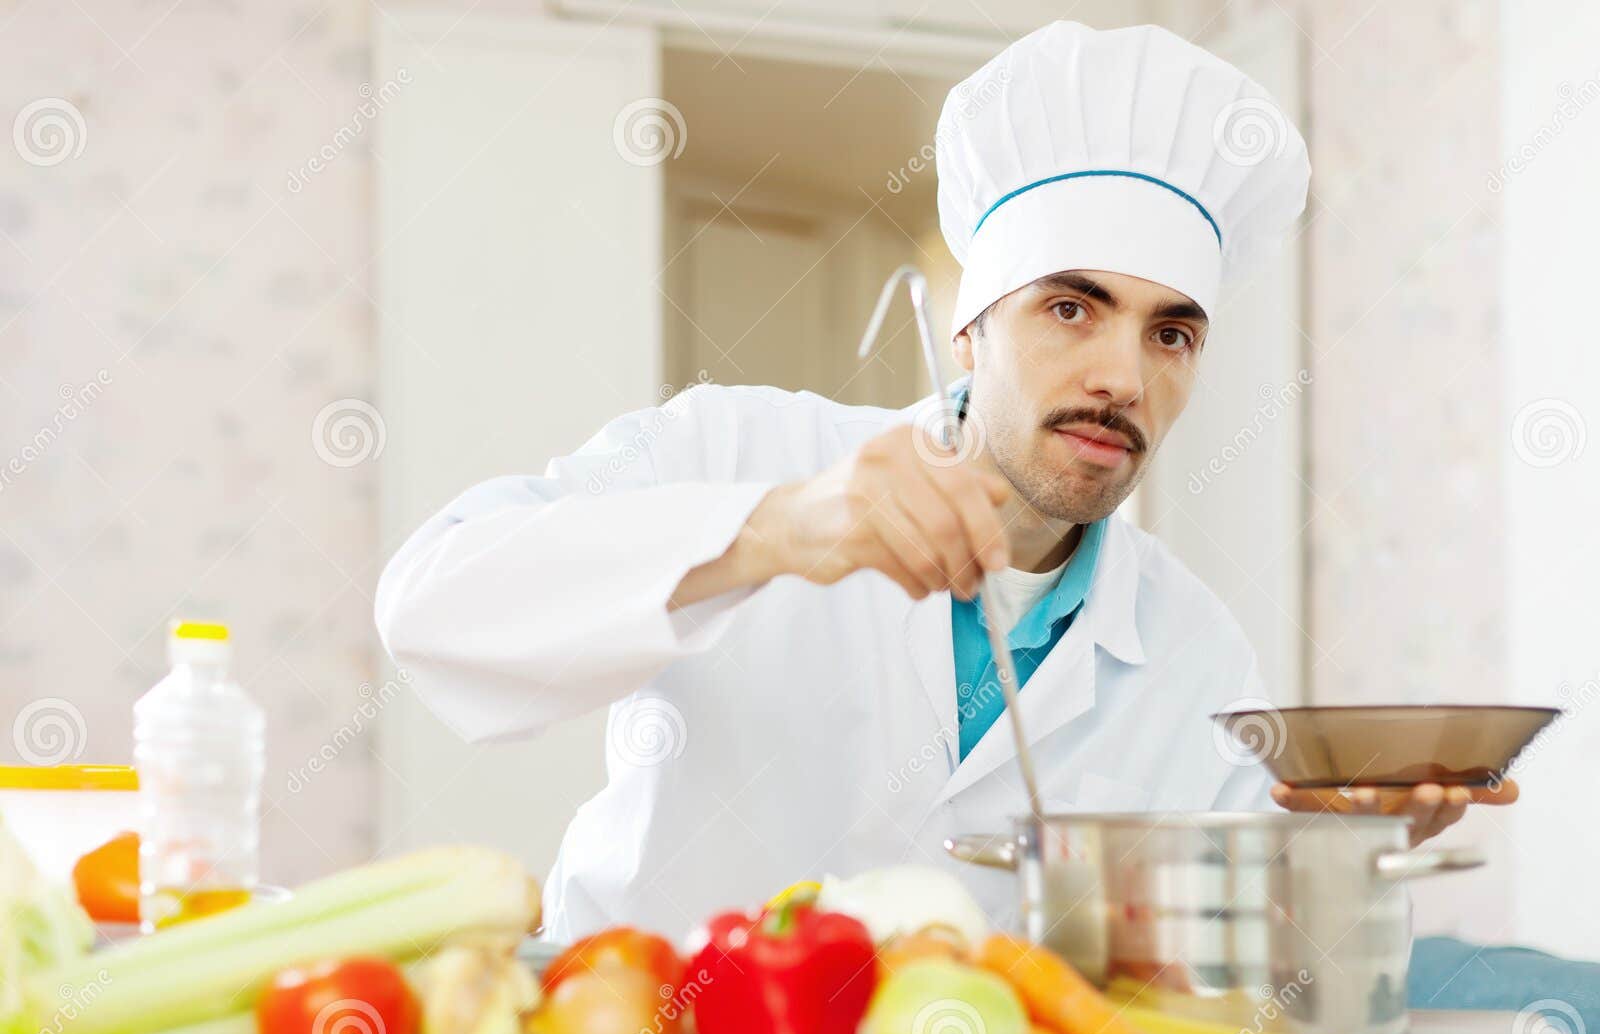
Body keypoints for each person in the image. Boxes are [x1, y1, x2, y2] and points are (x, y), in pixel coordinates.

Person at [376, 22, 1513, 941]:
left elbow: (1238, 977)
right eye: (1071, 307)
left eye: (1172, 334)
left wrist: (1338, 864)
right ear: (969, 330)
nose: (1122, 374)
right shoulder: (734, 450)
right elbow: (430, 606)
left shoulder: (1196, 657)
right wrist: (774, 532)